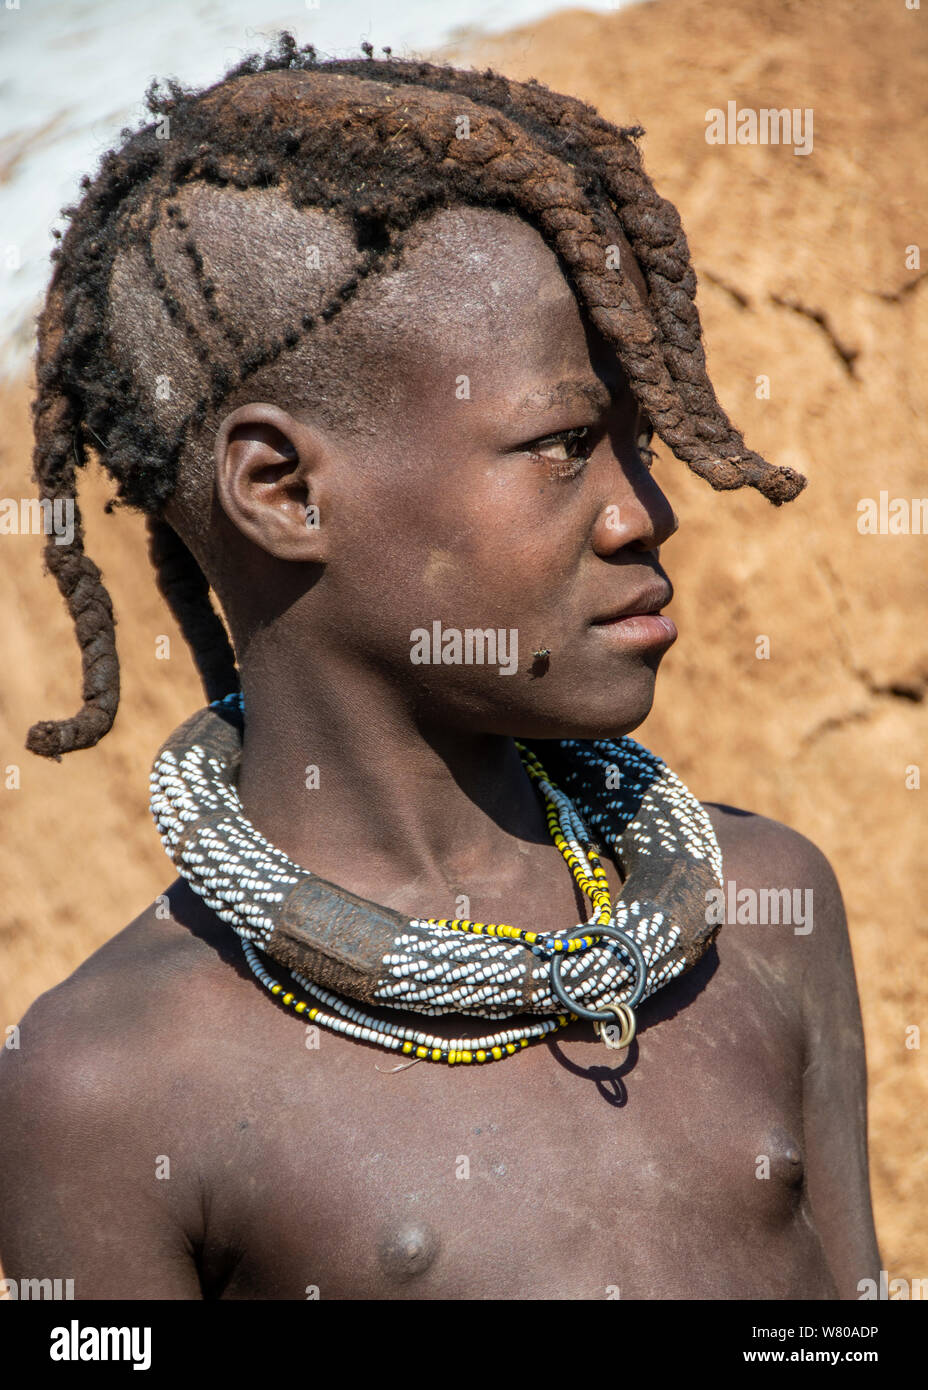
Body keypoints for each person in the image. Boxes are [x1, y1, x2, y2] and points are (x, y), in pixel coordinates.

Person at [0, 35, 879, 1299]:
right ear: (283, 489)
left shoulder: (757, 910)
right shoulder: (107, 1087)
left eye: (643, 441)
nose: (643, 513)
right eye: (567, 443)